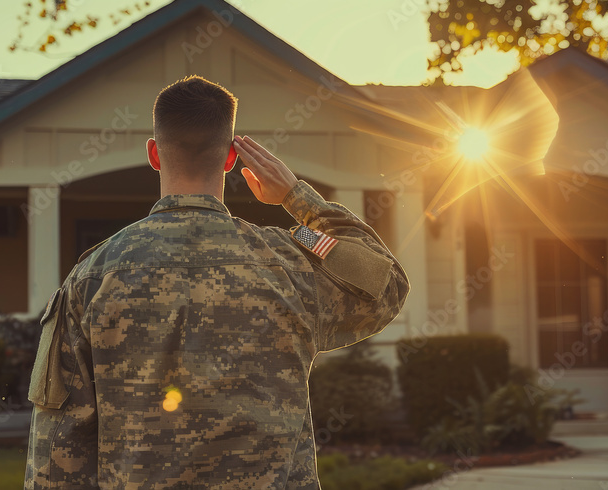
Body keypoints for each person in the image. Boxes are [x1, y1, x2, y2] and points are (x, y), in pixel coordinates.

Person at [25, 75, 410, 489]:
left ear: (154, 154)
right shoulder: (288, 260)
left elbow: (59, 453)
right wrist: (298, 199)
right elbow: (383, 283)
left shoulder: (93, 276)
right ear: (231, 159)